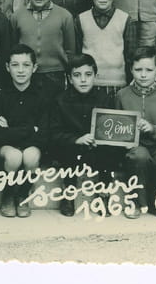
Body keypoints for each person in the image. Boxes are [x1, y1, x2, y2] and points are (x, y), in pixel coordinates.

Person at [114, 47, 156, 219]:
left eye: (149, 70)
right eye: (138, 70)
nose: (143, 75)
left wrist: (153, 129)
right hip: (134, 146)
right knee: (139, 156)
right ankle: (136, 200)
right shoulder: (122, 95)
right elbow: (115, 128)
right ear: (131, 70)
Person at [49, 54, 115, 217]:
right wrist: (76, 139)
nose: (83, 80)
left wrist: (101, 139)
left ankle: (103, 194)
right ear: (70, 79)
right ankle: (68, 195)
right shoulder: (60, 100)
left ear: (95, 76)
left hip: (96, 150)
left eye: (88, 75)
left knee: (109, 151)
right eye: (77, 76)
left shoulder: (105, 99)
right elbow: (54, 133)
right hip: (72, 150)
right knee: (67, 149)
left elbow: (111, 128)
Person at [0, 44, 49, 218]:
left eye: (26, 65)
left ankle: (23, 194)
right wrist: (31, 129)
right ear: (8, 67)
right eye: (15, 65)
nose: (21, 70)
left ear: (34, 67)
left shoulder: (43, 97)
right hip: (6, 149)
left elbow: (44, 134)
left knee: (30, 156)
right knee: (15, 156)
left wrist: (12, 129)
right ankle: (8, 195)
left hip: (32, 147)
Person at [74, 0, 139, 101]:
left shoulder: (125, 19)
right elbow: (77, 54)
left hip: (118, 86)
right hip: (89, 86)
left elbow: (131, 56)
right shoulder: (81, 19)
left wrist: (130, 86)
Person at [11, 0, 76, 94]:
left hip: (56, 75)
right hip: (26, 75)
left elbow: (71, 51)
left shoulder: (65, 16)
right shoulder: (17, 16)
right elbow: (13, 48)